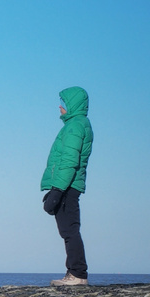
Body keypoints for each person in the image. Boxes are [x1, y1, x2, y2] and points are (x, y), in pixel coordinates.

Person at [41, 86, 93, 285]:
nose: (60, 107)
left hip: (68, 185)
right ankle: (74, 273)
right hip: (69, 184)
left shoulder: (75, 126)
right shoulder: (77, 125)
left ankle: (78, 274)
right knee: (68, 230)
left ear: (72, 105)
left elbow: (69, 161)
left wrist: (57, 189)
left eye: (63, 104)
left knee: (69, 229)